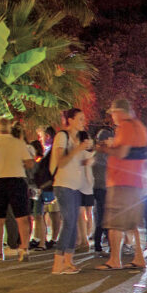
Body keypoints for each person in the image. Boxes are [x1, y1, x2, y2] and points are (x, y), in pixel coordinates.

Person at [96, 98, 147, 271]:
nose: (112, 116)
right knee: (132, 222)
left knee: (115, 221)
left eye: (113, 112)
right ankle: (139, 258)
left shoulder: (126, 126)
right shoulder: (140, 127)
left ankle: (114, 260)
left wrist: (104, 148)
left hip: (122, 181)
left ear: (119, 111)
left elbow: (121, 152)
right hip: (135, 181)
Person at [0, 117, 35, 262]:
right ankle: (24, 249)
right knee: (22, 218)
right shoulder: (19, 144)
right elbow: (29, 164)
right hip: (17, 181)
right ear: (9, 128)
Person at [48, 110, 93, 274]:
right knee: (68, 222)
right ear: (70, 120)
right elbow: (61, 161)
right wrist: (78, 148)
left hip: (76, 186)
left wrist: (88, 158)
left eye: (84, 118)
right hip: (63, 185)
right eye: (80, 119)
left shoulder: (78, 139)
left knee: (73, 222)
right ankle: (57, 263)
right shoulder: (62, 136)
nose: (83, 121)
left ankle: (68, 261)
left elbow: (76, 163)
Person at [90, 128, 111, 253]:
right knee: (103, 216)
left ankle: (100, 242)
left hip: (101, 187)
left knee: (102, 215)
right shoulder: (100, 154)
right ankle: (100, 243)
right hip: (101, 188)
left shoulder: (99, 153)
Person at [77, 130, 96, 251]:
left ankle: (83, 238)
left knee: (81, 214)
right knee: (89, 213)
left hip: (80, 186)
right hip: (91, 187)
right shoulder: (93, 155)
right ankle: (88, 236)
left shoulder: (79, 153)